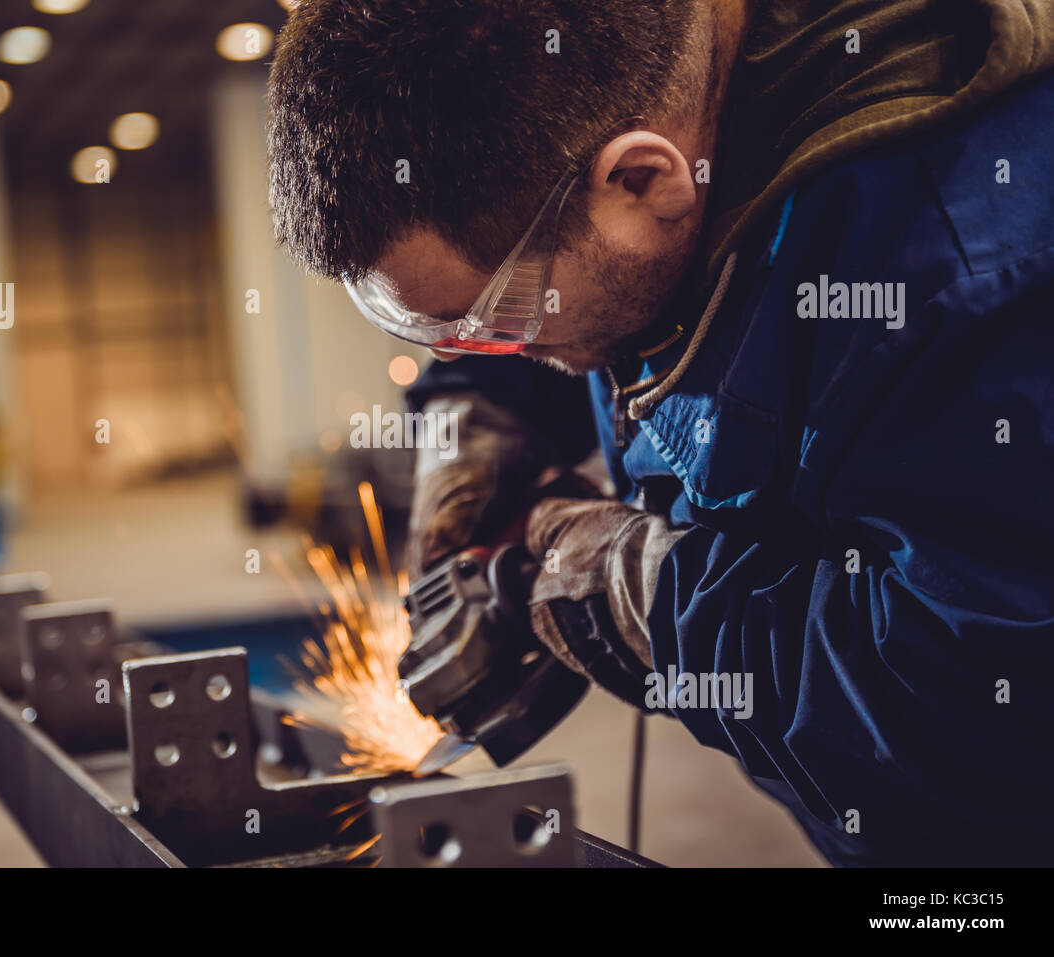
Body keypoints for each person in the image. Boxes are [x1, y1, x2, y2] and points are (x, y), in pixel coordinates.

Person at [265, 0, 1054, 865]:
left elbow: (978, 723)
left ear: (642, 180)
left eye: (495, 325)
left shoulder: (960, 284)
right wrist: (477, 414)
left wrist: (647, 590)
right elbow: (572, 257)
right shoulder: (650, 77)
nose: (495, 352)